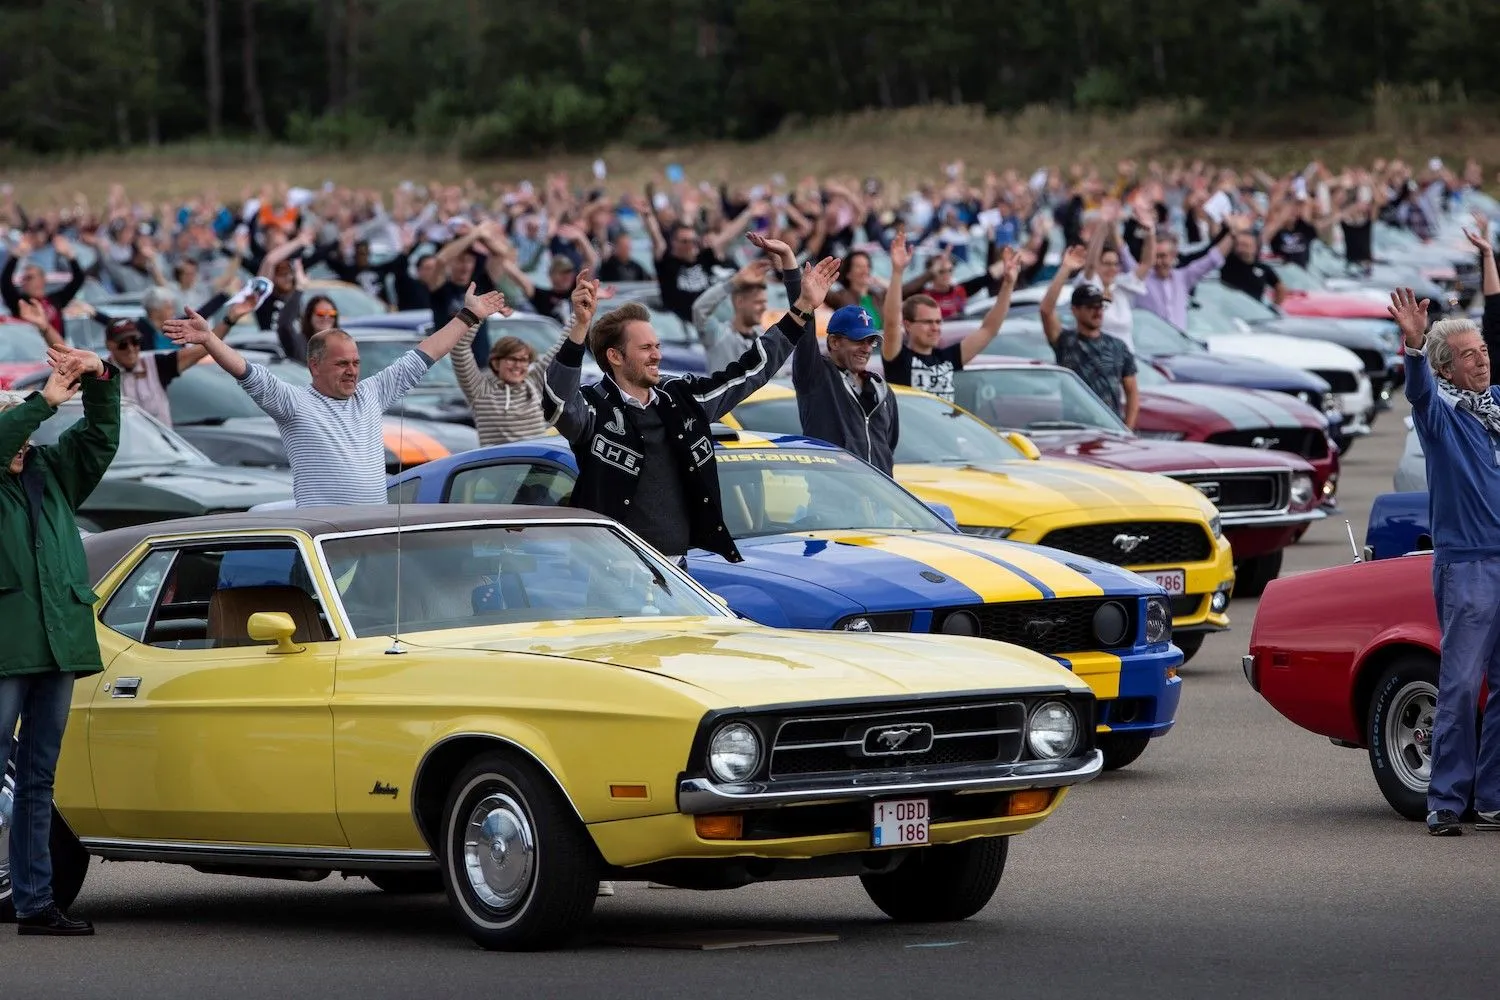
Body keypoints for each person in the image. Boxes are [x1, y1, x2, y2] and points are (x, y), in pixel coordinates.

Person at [543, 259, 839, 560]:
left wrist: (802, 307)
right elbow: (558, 403)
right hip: (612, 571)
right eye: (645, 348)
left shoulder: (681, 399)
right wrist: (581, 326)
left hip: (679, 572)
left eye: (657, 346)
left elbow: (749, 371)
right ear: (615, 357)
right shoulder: (594, 407)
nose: (656, 355)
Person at [164, 283, 509, 506]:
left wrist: (469, 315)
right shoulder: (293, 403)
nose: (352, 370)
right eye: (342, 363)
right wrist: (210, 340)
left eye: (356, 363)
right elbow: (245, 370)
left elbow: (426, 353)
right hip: (322, 538)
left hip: (371, 532)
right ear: (314, 366)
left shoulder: (371, 393)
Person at [0, 344, 121, 936]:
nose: (22, 441)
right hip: (6, 650)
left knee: (38, 780)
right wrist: (40, 402)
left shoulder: (52, 471)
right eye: (14, 429)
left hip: (54, 647)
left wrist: (100, 375)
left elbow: (101, 437)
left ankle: (35, 903)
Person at [1389, 286, 1500, 836]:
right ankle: (1446, 801)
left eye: (1483, 350)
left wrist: (1489, 268)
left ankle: (1494, 796)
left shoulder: (1497, 405)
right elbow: (1419, 394)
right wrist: (1412, 348)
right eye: (1469, 355)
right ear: (1447, 370)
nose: (1481, 359)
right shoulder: (1441, 416)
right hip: (1469, 564)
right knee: (1459, 683)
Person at [882, 227, 1020, 401]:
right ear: (908, 325)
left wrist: (1008, 284)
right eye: (927, 322)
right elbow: (892, 321)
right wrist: (897, 272)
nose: (935, 328)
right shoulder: (897, 357)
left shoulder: (947, 358)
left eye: (938, 322)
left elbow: (988, 329)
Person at [793, 268, 902, 476]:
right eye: (859, 340)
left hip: (880, 502)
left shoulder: (882, 390)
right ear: (834, 341)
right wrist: (801, 293)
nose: (867, 348)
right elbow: (803, 334)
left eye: (871, 341)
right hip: (833, 502)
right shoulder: (816, 377)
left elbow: (888, 446)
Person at [1039, 245, 1139, 427]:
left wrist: (1128, 429)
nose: (1098, 311)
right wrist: (1066, 269)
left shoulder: (1118, 346)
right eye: (1091, 307)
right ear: (1075, 310)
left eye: (1100, 306)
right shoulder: (1066, 342)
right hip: (1076, 428)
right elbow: (1046, 310)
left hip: (1111, 429)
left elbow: (1132, 392)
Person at [691, 234, 802, 374]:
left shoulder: (765, 338)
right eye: (757, 302)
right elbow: (699, 309)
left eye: (764, 302)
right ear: (739, 302)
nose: (763, 308)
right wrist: (734, 282)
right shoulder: (718, 334)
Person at [453, 324, 565, 445]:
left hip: (535, 462)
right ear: (496, 363)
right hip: (501, 463)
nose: (518, 365)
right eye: (512, 359)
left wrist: (582, 315)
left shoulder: (534, 382)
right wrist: (479, 312)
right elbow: (459, 348)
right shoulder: (479, 389)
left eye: (523, 360)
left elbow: (563, 347)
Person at [1125, 219, 1236, 329]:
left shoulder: (1183, 278)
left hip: (1179, 343)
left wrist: (1233, 233)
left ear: (1173, 255)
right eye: (1155, 256)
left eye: (1163, 256)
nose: (1158, 262)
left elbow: (1212, 259)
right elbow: (1123, 253)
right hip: (1150, 344)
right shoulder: (1141, 278)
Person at [100, 318, 209, 425]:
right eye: (122, 344)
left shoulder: (156, 364)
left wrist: (226, 321)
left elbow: (203, 347)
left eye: (135, 341)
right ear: (109, 345)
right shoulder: (98, 374)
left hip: (159, 442)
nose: (131, 348)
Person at [1, 235, 84, 341]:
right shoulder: (21, 303)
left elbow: (78, 279)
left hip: (58, 351)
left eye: (29, 277)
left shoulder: (55, 300)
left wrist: (69, 256)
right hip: (33, 354)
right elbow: (5, 282)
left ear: (42, 279)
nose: (24, 281)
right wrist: (17, 255)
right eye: (23, 278)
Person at [1219, 229, 1285, 306]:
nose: (1241, 248)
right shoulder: (1228, 262)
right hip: (1229, 309)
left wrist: (1273, 307)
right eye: (1238, 244)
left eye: (1245, 245)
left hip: (1253, 312)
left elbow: (1280, 287)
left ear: (1255, 247)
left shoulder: (1263, 268)